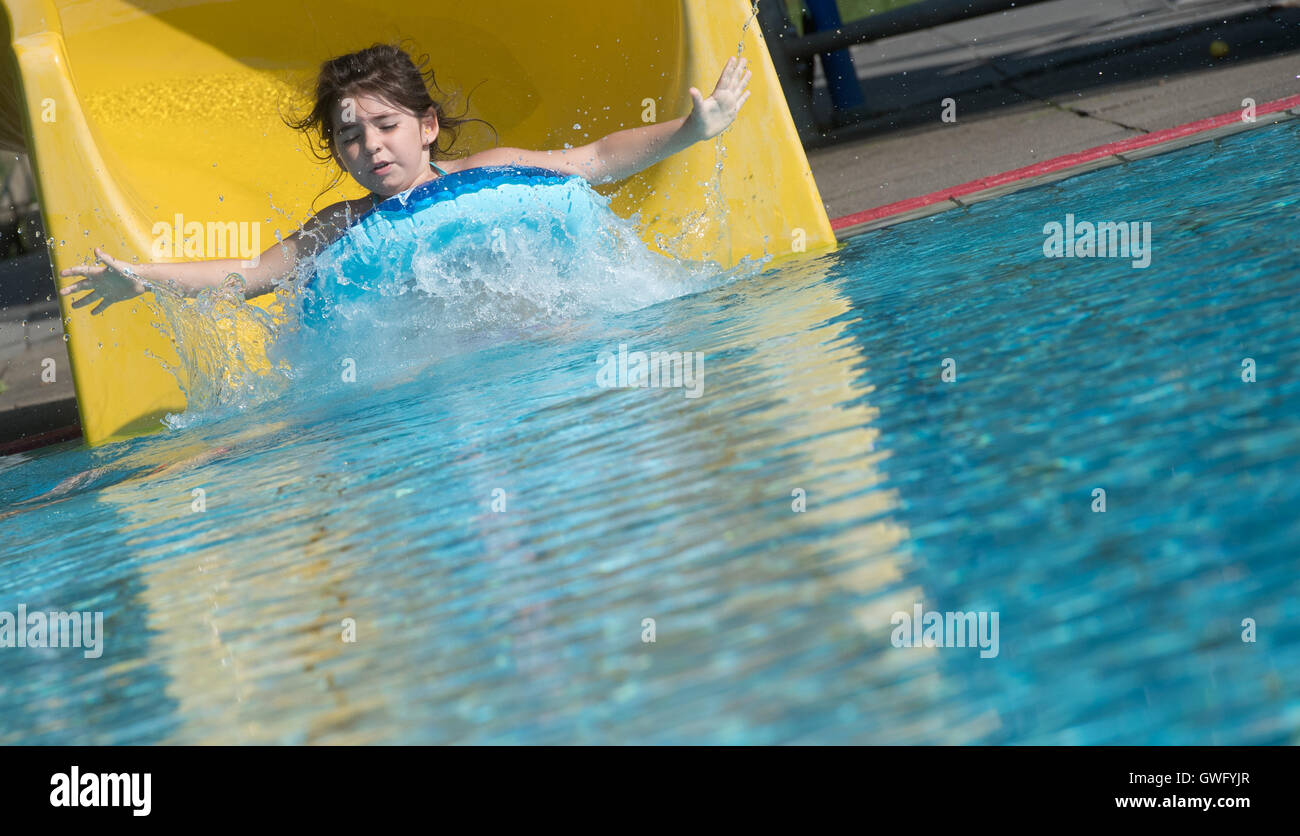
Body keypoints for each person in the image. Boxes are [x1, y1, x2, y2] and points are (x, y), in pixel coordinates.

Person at [59, 43, 752, 316]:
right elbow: (252, 272)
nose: (371, 146)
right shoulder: (346, 226)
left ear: (426, 126)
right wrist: (142, 278)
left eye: (386, 126)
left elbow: (593, 160)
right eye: (350, 135)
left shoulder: (489, 172)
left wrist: (695, 129)